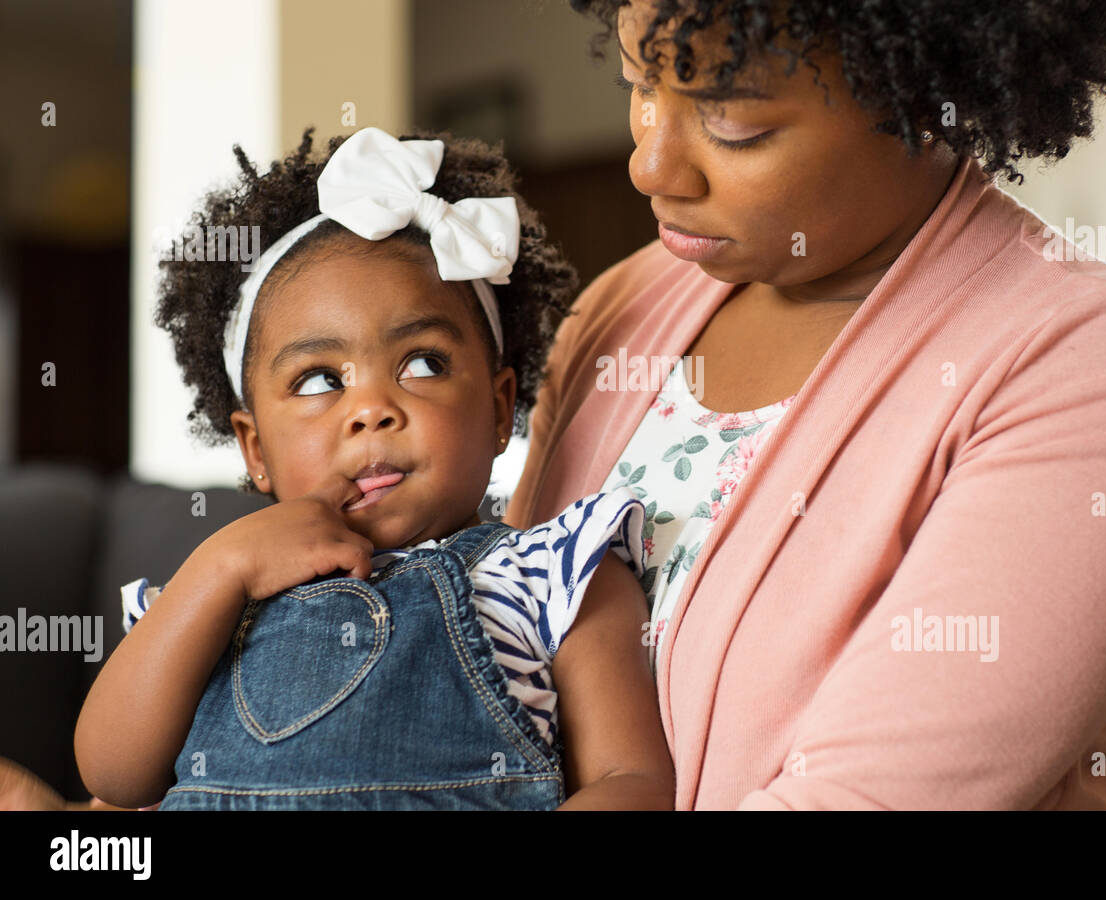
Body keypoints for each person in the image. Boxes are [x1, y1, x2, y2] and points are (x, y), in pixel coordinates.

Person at [505, 0, 1106, 808]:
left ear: (924, 94)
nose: (651, 167)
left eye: (733, 123)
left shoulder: (1100, 366)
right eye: (638, 88)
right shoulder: (618, 309)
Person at [72, 126, 674, 810]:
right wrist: (220, 569)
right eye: (320, 378)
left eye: (423, 364)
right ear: (255, 449)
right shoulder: (215, 592)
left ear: (499, 408)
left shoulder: (554, 572)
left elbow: (631, 782)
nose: (371, 409)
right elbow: (115, 776)